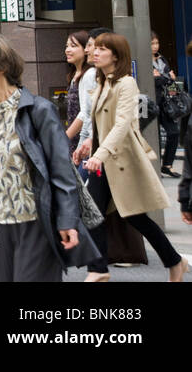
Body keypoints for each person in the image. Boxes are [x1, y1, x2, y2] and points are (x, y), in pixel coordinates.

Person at [0, 31, 98, 282]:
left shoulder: (39, 111)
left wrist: (67, 220)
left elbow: (61, 172)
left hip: (34, 222)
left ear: (0, 63)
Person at [76, 32, 188, 283]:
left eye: (102, 49)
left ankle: (174, 260)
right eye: (95, 49)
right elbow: (101, 123)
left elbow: (123, 124)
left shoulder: (126, 83)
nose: (95, 52)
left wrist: (100, 154)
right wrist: (88, 143)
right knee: (93, 212)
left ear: (116, 56)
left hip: (121, 161)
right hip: (103, 158)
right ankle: (98, 269)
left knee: (134, 216)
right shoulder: (101, 81)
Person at [151, 32, 180, 177]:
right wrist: (166, 78)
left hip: (166, 102)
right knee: (153, 135)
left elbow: (170, 80)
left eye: (156, 43)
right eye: (152, 44)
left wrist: (173, 94)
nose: (155, 47)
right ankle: (155, 165)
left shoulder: (161, 59)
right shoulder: (143, 60)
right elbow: (157, 81)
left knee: (173, 132)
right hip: (152, 102)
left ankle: (167, 164)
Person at [62, 30, 96, 155]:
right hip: (77, 140)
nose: (68, 50)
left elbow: (85, 113)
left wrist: (64, 138)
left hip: (85, 141)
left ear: (85, 49)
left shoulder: (90, 74)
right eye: (67, 46)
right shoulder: (74, 75)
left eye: (73, 46)